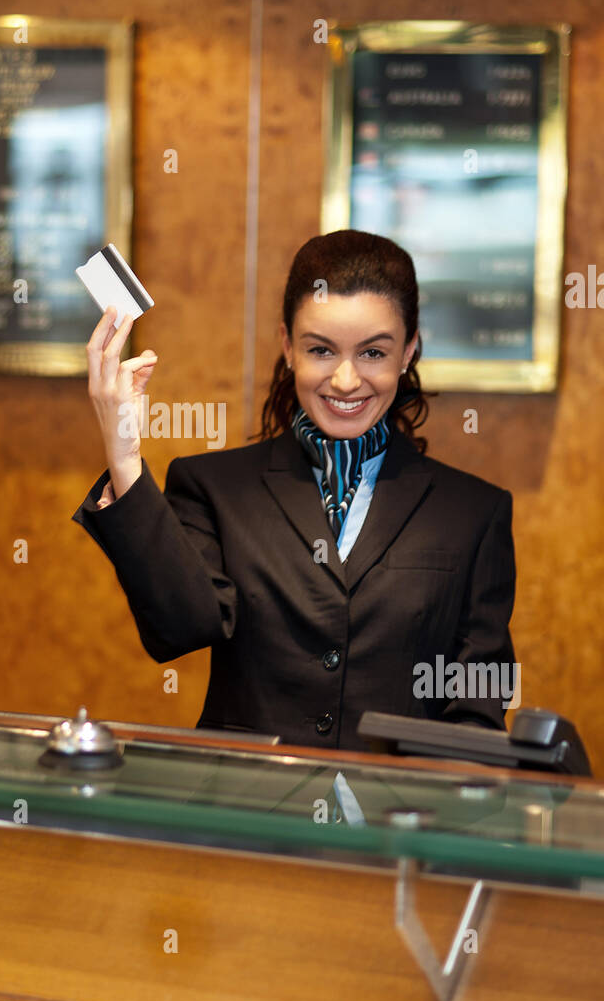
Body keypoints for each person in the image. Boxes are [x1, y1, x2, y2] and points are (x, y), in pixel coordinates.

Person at [71, 230, 517, 749]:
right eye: (321, 350)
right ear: (288, 346)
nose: (346, 380)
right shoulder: (213, 488)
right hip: (249, 813)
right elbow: (179, 628)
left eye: (373, 352)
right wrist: (124, 456)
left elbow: (480, 704)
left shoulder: (473, 512)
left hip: (395, 820)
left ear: (409, 349)